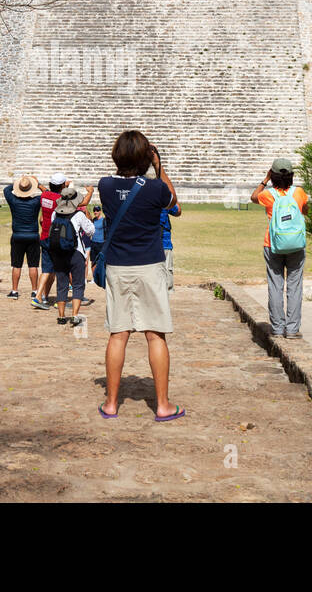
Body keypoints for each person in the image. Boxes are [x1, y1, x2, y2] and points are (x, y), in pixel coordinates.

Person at [97, 132, 184, 422]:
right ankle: (162, 405)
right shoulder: (154, 188)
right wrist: (158, 165)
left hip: (118, 266)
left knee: (118, 334)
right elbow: (176, 206)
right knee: (155, 334)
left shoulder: (105, 186)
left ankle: (111, 403)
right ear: (146, 157)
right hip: (149, 265)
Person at [250, 157, 310, 339]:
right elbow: (305, 210)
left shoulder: (269, 195)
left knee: (275, 286)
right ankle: (292, 329)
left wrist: (264, 180)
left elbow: (253, 197)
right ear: (291, 175)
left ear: (273, 175)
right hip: (296, 246)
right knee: (295, 287)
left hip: (273, 244)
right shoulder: (298, 193)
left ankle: (277, 328)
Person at [35, 172, 93, 310]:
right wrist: (90, 192)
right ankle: (41, 296)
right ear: (61, 186)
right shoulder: (59, 199)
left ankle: (45, 297)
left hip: (44, 234)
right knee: (61, 268)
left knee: (49, 269)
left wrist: (38, 184)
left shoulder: (44, 196)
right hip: (58, 237)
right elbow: (82, 202)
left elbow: (45, 190)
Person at [49, 187, 94, 326]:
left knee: (61, 284)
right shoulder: (79, 215)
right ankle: (74, 315)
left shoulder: (54, 215)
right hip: (76, 252)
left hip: (58, 253)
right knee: (78, 284)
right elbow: (90, 230)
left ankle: (61, 316)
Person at [3, 174, 43, 300]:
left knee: (16, 265)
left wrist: (18, 181)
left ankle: (14, 291)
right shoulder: (36, 201)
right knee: (33, 265)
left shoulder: (14, 201)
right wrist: (38, 184)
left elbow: (6, 190)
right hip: (32, 234)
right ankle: (34, 290)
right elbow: (47, 194)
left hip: (18, 235)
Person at [160, 201, 182, 290]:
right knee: (166, 278)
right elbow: (177, 211)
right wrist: (173, 196)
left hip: (145, 244)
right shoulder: (162, 196)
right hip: (164, 243)